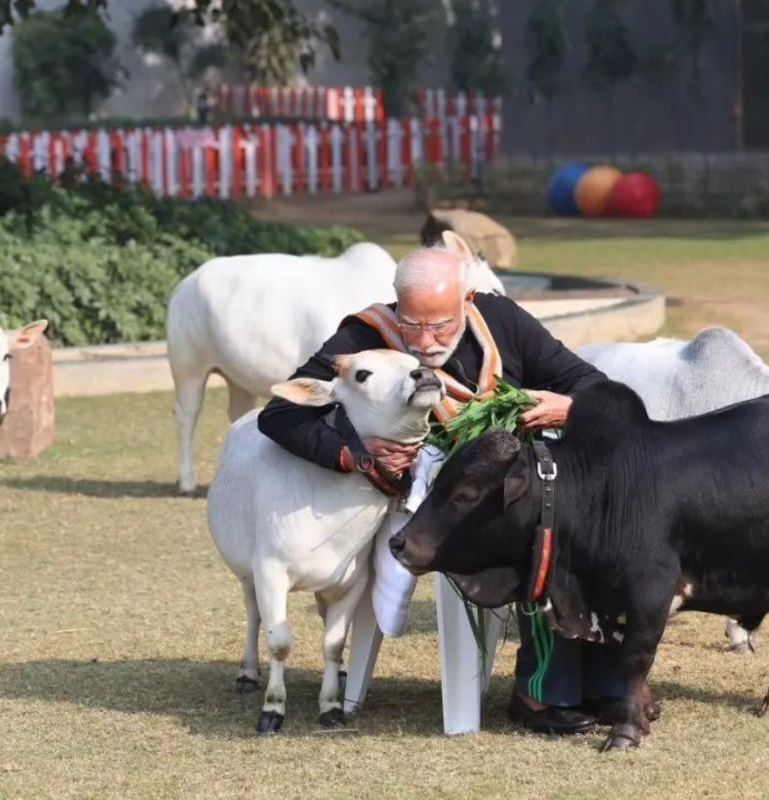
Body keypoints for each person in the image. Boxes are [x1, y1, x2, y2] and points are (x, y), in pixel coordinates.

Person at [256, 240, 624, 734]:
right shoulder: (365, 334)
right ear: (396, 307)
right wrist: (354, 454)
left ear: (467, 301)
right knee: (542, 530)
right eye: (413, 324)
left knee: (591, 522)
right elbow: (279, 414)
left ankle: (603, 686)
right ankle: (541, 692)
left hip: (511, 487)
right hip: (429, 504)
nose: (426, 341)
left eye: (441, 325)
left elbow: (589, 383)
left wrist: (569, 407)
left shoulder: (501, 321)